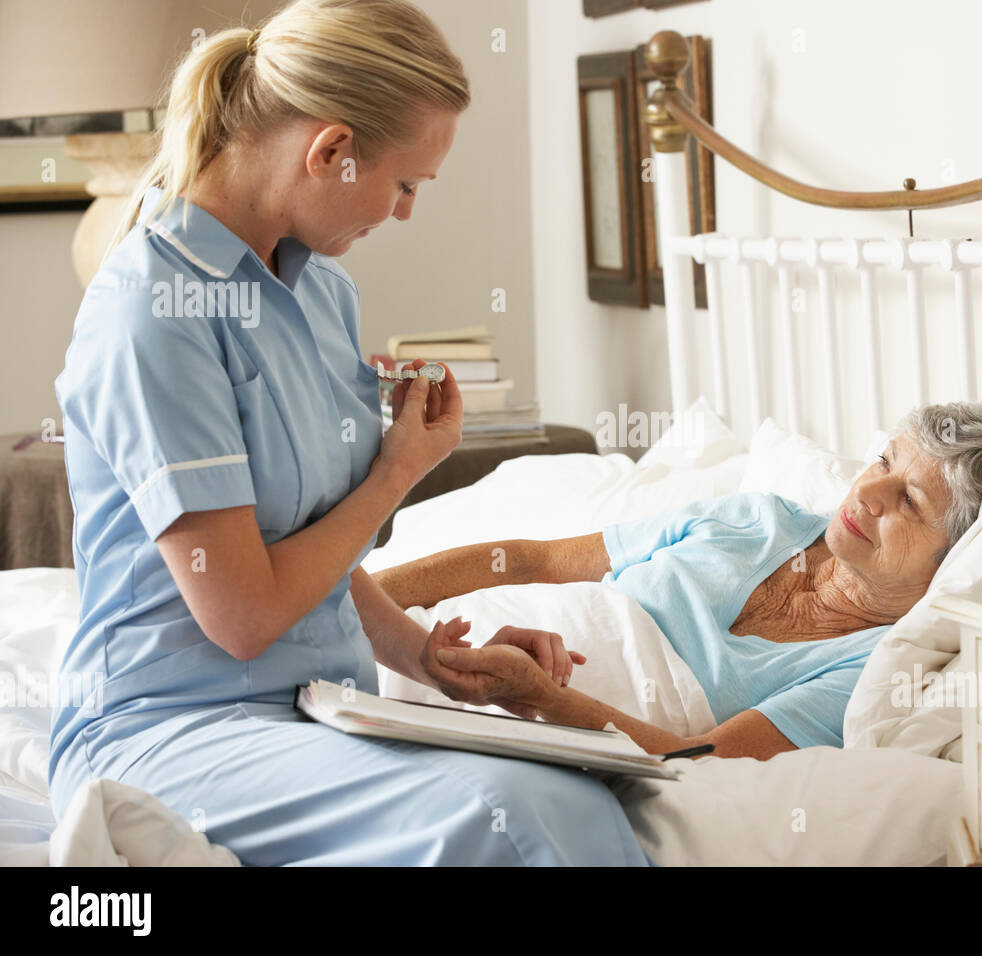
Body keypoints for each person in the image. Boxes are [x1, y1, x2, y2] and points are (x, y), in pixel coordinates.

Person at [49, 0, 647, 866]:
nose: (404, 211)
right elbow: (247, 615)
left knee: (575, 793)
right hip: (168, 729)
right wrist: (394, 474)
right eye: (407, 184)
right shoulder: (151, 310)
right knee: (501, 819)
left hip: (319, 709)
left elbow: (306, 547)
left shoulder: (323, 296)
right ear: (330, 149)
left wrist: (425, 656)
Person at [376, 396, 982, 760]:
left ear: (957, 560)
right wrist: (367, 600)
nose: (868, 494)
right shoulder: (755, 517)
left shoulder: (869, 669)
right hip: (431, 637)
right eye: (883, 463)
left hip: (519, 700)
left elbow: (693, 760)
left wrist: (539, 697)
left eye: (909, 502)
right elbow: (529, 561)